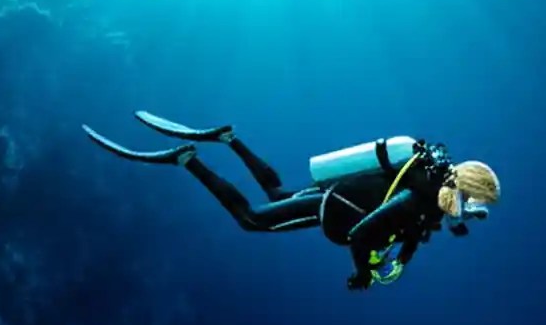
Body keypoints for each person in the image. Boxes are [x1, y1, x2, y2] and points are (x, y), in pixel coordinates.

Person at [81, 111, 502, 291]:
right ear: (468, 190)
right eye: (478, 206)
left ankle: (229, 138)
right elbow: (362, 235)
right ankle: (187, 159)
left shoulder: (429, 182)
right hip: (335, 208)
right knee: (251, 219)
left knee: (277, 193)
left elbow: (410, 231)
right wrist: (362, 275)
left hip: (339, 194)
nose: (475, 215)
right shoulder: (417, 199)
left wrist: (401, 259)